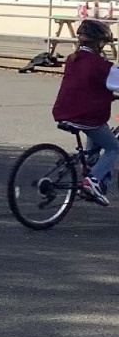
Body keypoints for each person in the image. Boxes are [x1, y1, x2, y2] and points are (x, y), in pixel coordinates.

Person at [51, 17, 119, 206]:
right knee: (114, 147)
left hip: (64, 111)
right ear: (99, 43)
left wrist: (106, 96)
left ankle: (89, 165)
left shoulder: (73, 60)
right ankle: (93, 181)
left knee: (96, 127)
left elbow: (85, 86)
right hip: (85, 116)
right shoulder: (102, 66)